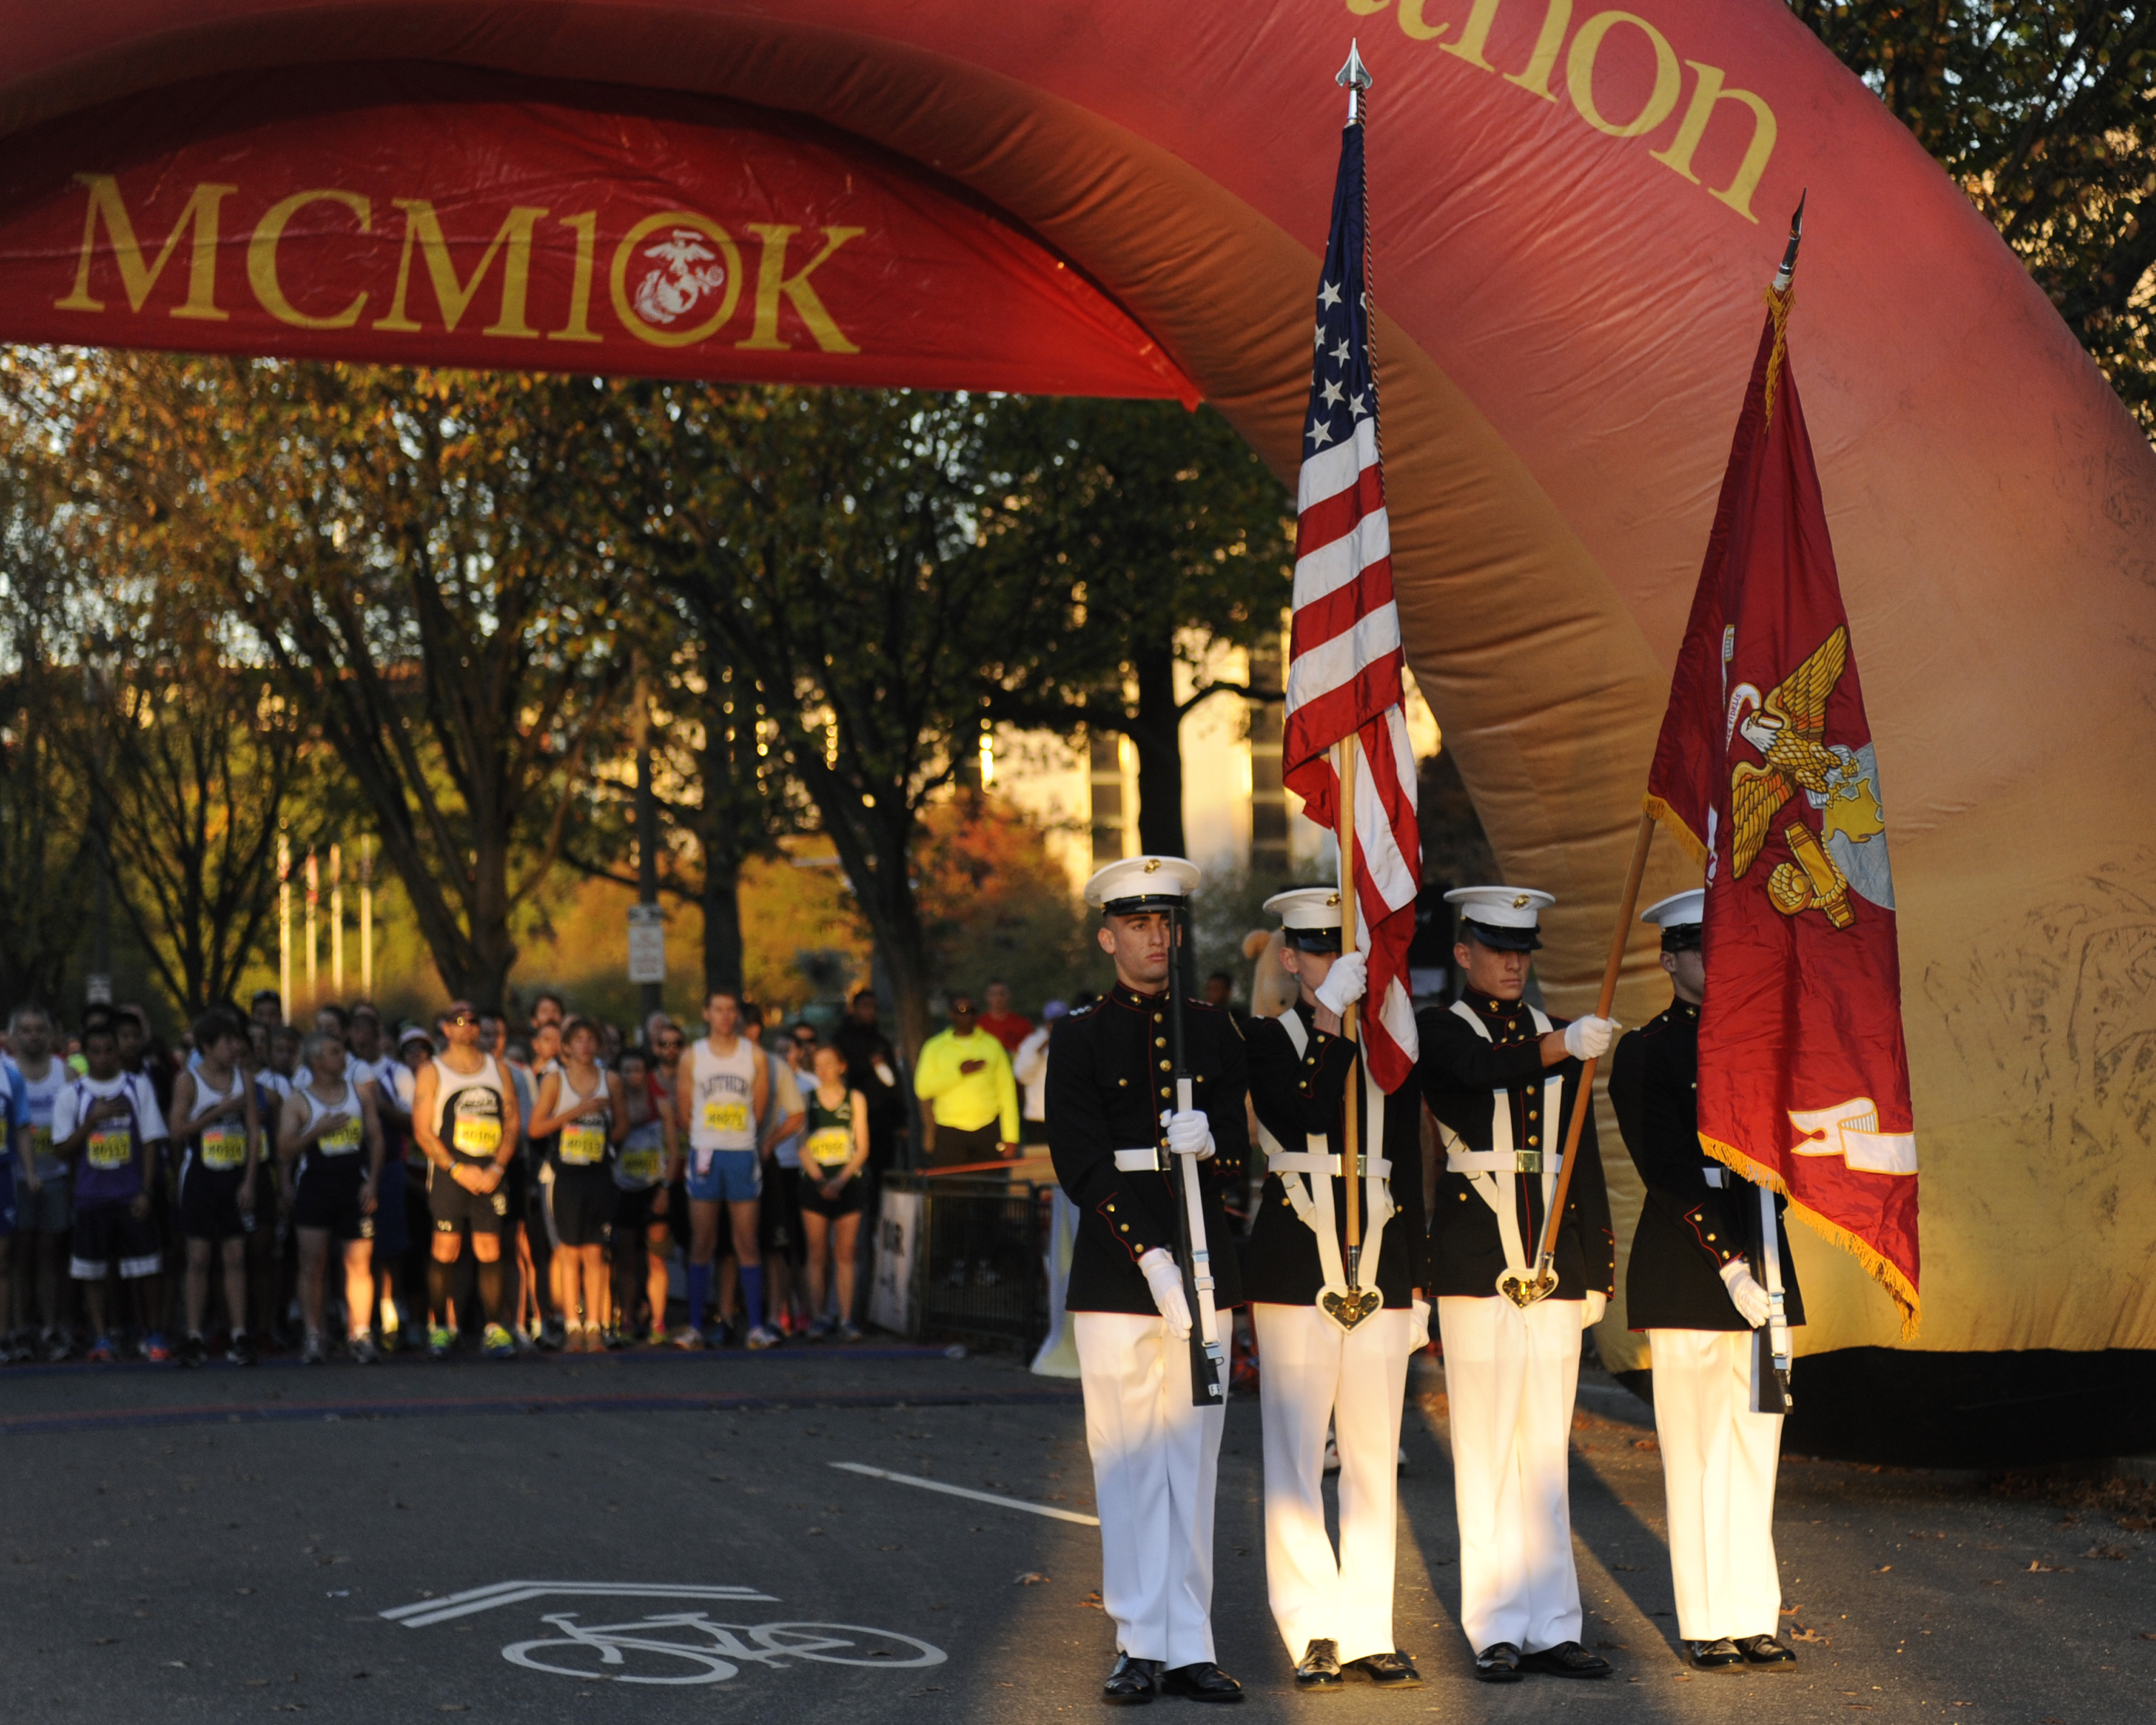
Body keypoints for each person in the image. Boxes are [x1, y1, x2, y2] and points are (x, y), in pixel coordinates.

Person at [1047, 855, 1250, 1705]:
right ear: (1107, 936)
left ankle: (1190, 1640)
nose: (1155, 937)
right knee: (1128, 1461)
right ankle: (1138, 1638)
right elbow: (1080, 1160)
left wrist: (1215, 1146)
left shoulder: (1214, 1029)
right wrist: (1151, 1256)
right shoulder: (1084, 1034)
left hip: (1203, 1266)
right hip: (1120, 1271)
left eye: (1165, 923)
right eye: (1137, 924)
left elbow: (1239, 1153)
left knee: (1192, 1462)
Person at [1416, 886, 1618, 1684]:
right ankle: (1496, 1624)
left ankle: (1553, 1624)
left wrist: (1595, 1269)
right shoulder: (1444, 1028)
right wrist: (1563, 1045)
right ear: (1464, 952)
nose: (1511, 962)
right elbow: (1474, 1074)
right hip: (1474, 1262)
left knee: (1542, 1451)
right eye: (1496, 947)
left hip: (1553, 1263)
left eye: (1522, 950)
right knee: (1484, 1444)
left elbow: (1583, 1158)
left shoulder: (1556, 1034)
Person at [1611, 890, 1802, 1673]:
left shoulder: (1761, 1043)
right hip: (1692, 1267)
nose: (1713, 964)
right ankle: (1704, 1618)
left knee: (1756, 1445)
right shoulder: (1648, 1051)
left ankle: (1754, 1613)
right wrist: (1725, 1258)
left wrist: (1759, 1251)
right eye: (1699, 950)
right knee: (1694, 1451)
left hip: (1761, 1258)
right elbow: (1663, 1166)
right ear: (1670, 958)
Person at [1244, 888, 1428, 1689]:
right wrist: (1330, 1022)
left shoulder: (1390, 1043)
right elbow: (1305, 1110)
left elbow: (1412, 1166)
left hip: (1381, 1266)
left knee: (1371, 1459)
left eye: (1347, 951)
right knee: (1295, 1458)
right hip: (1295, 1264)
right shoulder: (1265, 1039)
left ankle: (1368, 1627)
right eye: (1319, 951)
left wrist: (1418, 1286)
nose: (1337, 965)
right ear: (1291, 959)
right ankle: (1312, 1626)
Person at [52, 1013, 170, 1362]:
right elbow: (61, 1148)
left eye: (109, 1050)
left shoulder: (138, 1087)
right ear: (85, 1054)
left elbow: (151, 1141)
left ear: (118, 1052)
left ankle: (153, 1333)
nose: (103, 1057)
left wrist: (146, 1191)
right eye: (96, 1051)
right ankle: (102, 1337)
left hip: (131, 1193)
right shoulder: (71, 1095)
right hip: (92, 1196)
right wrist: (92, 1121)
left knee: (147, 1267)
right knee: (93, 1270)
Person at [411, 1000, 521, 1360]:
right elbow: (423, 1131)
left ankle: (493, 1328)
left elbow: (512, 1121)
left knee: (490, 1249)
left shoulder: (497, 1068)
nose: (468, 1026)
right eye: (459, 1020)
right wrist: (457, 1169)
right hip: (450, 1173)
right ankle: (441, 1327)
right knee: (446, 1248)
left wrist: (497, 1169)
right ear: (445, 1028)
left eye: (474, 1020)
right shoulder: (433, 1071)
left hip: (490, 1173)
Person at [676, 989, 777, 1348]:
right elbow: (684, 1110)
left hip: (740, 1153)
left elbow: (760, 1109)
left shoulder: (755, 1056)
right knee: (702, 1240)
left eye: (731, 1010)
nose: (724, 1016)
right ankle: (695, 1327)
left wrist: (738, 1135)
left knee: (746, 1240)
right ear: (706, 1013)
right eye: (717, 1009)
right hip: (706, 1153)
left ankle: (754, 1326)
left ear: (738, 1015)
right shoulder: (693, 1056)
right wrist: (706, 1136)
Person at [280, 1032, 386, 1363]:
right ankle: (314, 1335)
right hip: (315, 1187)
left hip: (354, 1185)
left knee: (359, 1264)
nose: (344, 1058)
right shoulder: (298, 1101)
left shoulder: (359, 1094)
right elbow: (284, 1149)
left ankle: (360, 1333)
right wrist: (317, 1130)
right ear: (316, 1061)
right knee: (313, 1265)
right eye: (335, 1052)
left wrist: (373, 1182)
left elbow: (377, 1140)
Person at [170, 1008, 262, 1366]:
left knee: (235, 1256)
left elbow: (254, 1132)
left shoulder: (244, 1078)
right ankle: (193, 1334)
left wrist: (250, 1180)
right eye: (227, 1041)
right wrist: (217, 1111)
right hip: (200, 1177)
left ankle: (239, 1333)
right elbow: (177, 1130)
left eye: (236, 1040)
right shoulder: (188, 1081)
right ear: (207, 1046)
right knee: (199, 1257)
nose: (235, 1047)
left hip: (234, 1175)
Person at [530, 1017, 626, 1352]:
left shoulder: (611, 1080)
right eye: (578, 1039)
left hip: (598, 1174)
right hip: (564, 1175)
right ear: (566, 1047)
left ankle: (596, 1326)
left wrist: (600, 1144)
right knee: (569, 1253)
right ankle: (573, 1325)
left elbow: (622, 1125)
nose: (585, 1044)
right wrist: (578, 1112)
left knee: (596, 1252)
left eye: (591, 1039)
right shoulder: (556, 1082)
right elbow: (536, 1128)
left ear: (598, 1046)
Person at [9, 1006, 74, 1358]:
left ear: (50, 1036)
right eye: (26, 1030)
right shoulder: (5, 1074)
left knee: (51, 1255)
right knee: (19, 1256)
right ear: (14, 1036)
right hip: (15, 1179)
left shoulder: (64, 1073)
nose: (33, 1036)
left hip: (56, 1177)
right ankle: (20, 1330)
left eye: (39, 1030)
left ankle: (50, 1327)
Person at [797, 1044, 870, 1341]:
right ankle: (818, 1316)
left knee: (844, 1253)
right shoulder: (807, 1099)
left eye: (830, 1064)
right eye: (818, 1065)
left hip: (847, 1182)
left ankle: (847, 1318)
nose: (824, 1070)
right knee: (816, 1254)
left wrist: (839, 1180)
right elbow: (801, 1145)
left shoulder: (855, 1099)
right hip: (815, 1184)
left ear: (842, 1066)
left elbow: (863, 1146)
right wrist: (820, 1180)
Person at [611, 1046, 678, 1345]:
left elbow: (675, 1151)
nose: (632, 1076)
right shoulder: (613, 1105)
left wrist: (665, 1187)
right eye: (626, 1071)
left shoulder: (660, 1103)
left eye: (638, 1070)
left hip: (654, 1188)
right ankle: (626, 1318)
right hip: (623, 1188)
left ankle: (658, 1322)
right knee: (625, 1260)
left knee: (656, 1259)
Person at [913, 994, 1018, 1168]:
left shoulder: (992, 1045)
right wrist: (959, 1072)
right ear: (951, 1014)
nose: (967, 1016)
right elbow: (923, 1089)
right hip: (950, 1130)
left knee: (990, 1189)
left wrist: (1011, 1137)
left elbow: (1007, 1093)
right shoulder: (934, 1048)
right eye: (961, 1011)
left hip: (988, 1128)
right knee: (953, 1190)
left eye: (972, 1011)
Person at [757, 1021, 811, 1335]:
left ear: (799, 1054)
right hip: (775, 1166)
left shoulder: (809, 1086)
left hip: (800, 1168)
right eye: (776, 1051)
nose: (782, 1057)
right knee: (775, 1242)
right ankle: (781, 1309)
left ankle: (805, 1307)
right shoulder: (767, 1080)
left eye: (787, 1051)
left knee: (798, 1246)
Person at [829, 990, 903, 1171]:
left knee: (883, 1169)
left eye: (874, 1008)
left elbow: (893, 1082)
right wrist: (866, 1065)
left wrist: (901, 1120)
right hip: (851, 1112)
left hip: (882, 1117)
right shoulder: (841, 1039)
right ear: (854, 1009)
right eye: (865, 1007)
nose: (870, 1012)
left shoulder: (881, 1042)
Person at [1011, 1000, 1066, 1151]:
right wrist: (1041, 1050)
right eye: (1052, 1022)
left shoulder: (1076, 1041)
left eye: (1060, 1021)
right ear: (1046, 1022)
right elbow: (1021, 1075)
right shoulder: (1031, 1043)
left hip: (1067, 1117)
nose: (1055, 1026)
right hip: (1038, 1117)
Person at [976, 981, 1033, 1055]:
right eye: (994, 994)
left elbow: (1031, 1050)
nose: (998, 998)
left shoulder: (1023, 1024)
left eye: (1002, 994)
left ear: (1009, 995)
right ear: (987, 997)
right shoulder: (978, 1024)